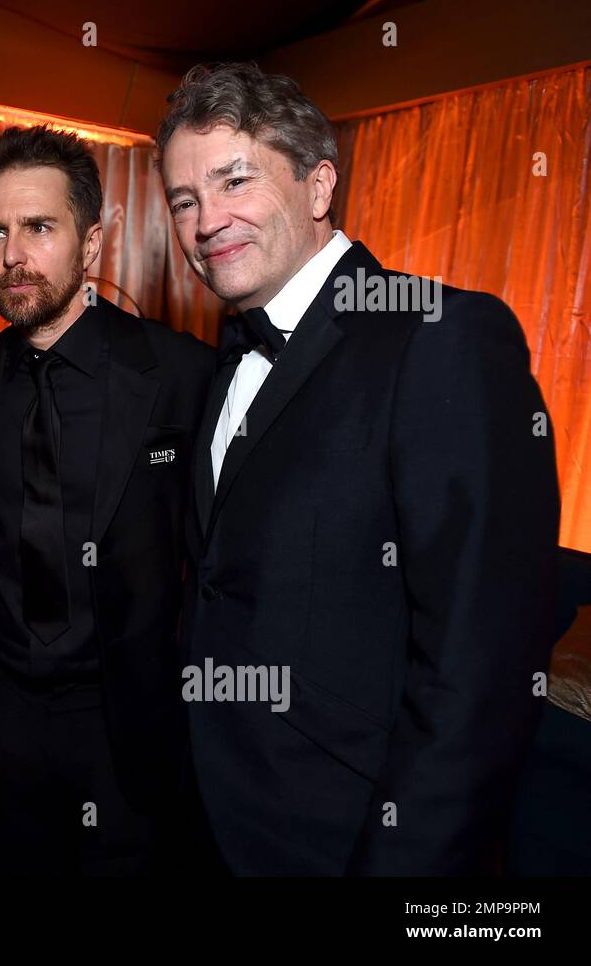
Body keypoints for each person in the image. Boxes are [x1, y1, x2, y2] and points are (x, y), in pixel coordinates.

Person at [159, 61, 561, 875]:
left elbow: (480, 674)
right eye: (184, 201)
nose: (207, 221)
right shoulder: (221, 363)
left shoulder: (441, 337)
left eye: (235, 181)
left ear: (318, 186)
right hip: (216, 822)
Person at [0, 125, 215, 875]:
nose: (13, 255)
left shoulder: (183, 375)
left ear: (93, 243)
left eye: (39, 228)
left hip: (130, 727)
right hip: (4, 729)